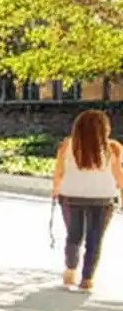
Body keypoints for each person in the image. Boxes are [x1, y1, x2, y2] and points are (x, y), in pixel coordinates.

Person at [51, 109, 123, 292]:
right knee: (95, 239)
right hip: (103, 198)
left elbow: (59, 172)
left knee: (74, 236)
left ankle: (70, 271)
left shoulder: (66, 146)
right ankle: (87, 279)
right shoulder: (113, 148)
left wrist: (55, 191)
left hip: (71, 195)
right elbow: (118, 176)